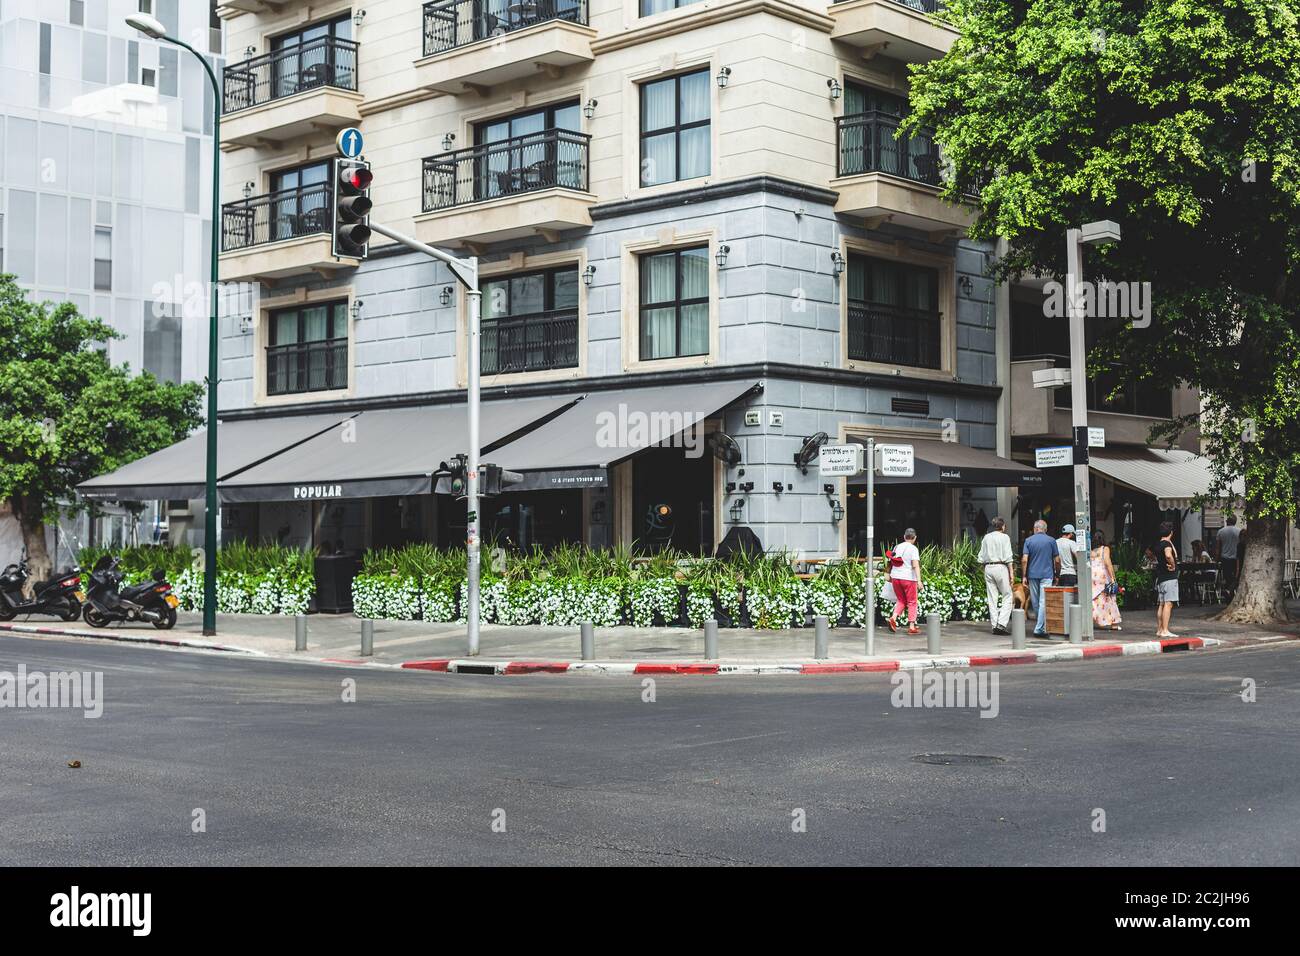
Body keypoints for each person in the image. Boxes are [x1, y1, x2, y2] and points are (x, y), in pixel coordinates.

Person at [1021, 519, 1060, 638]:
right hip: (1047, 574)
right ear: (1045, 529)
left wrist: (1024, 575)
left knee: (1035, 601)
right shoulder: (1051, 541)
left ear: (1035, 529)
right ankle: (1039, 628)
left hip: (1032, 574)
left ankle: (1040, 626)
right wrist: (1057, 574)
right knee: (1043, 601)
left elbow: (1024, 559)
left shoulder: (1028, 540)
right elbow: (1057, 560)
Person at [978, 516, 1015, 635]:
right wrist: (1012, 573)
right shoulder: (1005, 537)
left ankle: (994, 625)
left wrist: (985, 568)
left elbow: (981, 556)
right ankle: (1001, 624)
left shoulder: (986, 537)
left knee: (992, 597)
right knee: (1008, 595)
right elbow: (1008, 556)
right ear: (1003, 526)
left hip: (988, 567)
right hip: (1000, 566)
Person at [886, 528, 922, 636]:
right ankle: (911, 626)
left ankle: (893, 618)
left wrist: (888, 575)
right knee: (912, 602)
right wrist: (919, 580)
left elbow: (890, 562)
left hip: (896, 577)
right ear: (914, 538)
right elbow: (915, 565)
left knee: (901, 600)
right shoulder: (913, 549)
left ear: (904, 537)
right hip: (908, 578)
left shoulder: (897, 547)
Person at [1091, 530, 1122, 631]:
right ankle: (1114, 624)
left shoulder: (1091, 551)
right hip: (1102, 575)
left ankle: (1099, 620)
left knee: (1096, 599)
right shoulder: (1105, 549)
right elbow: (1107, 562)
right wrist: (1113, 578)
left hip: (1092, 576)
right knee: (1109, 598)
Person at [1154, 521, 1180, 638]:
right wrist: (1173, 565)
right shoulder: (1167, 545)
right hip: (1170, 577)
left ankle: (1159, 629)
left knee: (1161, 604)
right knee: (1168, 604)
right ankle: (1165, 630)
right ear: (1171, 532)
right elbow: (1168, 555)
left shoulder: (1159, 544)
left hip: (1161, 577)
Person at [1216, 516, 1241, 595]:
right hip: (1237, 558)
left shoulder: (1221, 531)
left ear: (1227, 521)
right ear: (1235, 521)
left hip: (1225, 558)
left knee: (1227, 577)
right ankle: (1233, 591)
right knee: (1236, 577)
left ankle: (1229, 594)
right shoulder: (1239, 531)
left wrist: (1217, 559)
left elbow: (1218, 547)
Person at [1056, 523, 1080, 589]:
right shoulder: (1071, 543)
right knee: (1069, 597)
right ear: (1071, 533)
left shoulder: (1055, 542)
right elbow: (1078, 557)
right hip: (1070, 573)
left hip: (1059, 573)